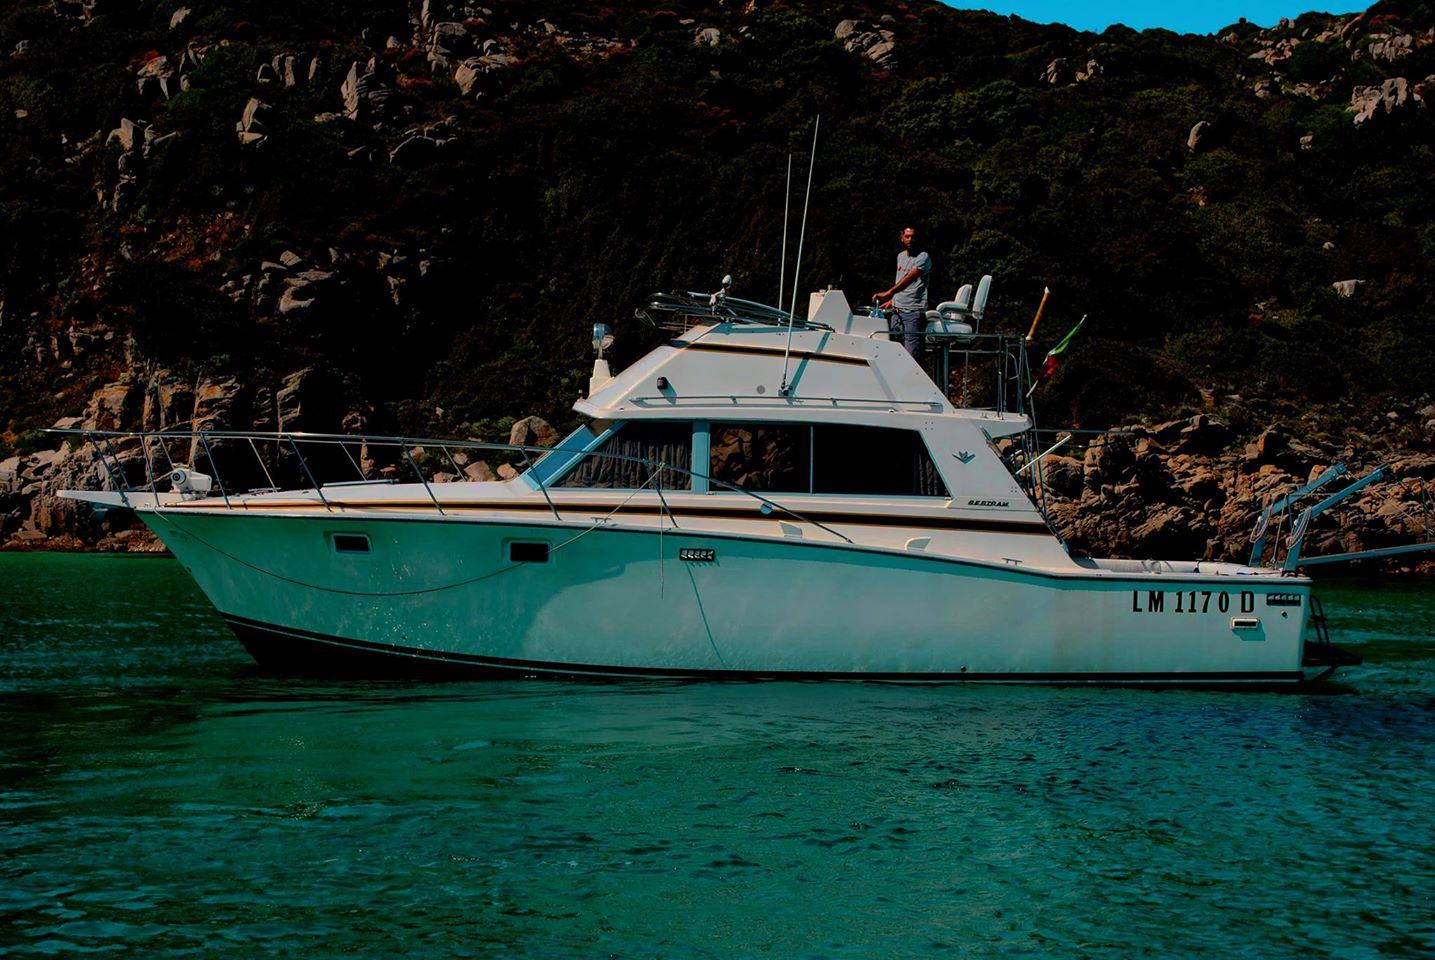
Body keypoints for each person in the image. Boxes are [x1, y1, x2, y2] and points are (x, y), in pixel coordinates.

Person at [872, 226, 932, 360]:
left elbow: (909, 279)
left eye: (913, 237)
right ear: (902, 238)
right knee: (895, 355)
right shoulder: (901, 256)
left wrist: (888, 292)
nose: (910, 239)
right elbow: (900, 281)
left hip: (912, 312)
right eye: (907, 236)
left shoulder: (923, 257)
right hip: (896, 311)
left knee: (911, 357)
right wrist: (892, 300)